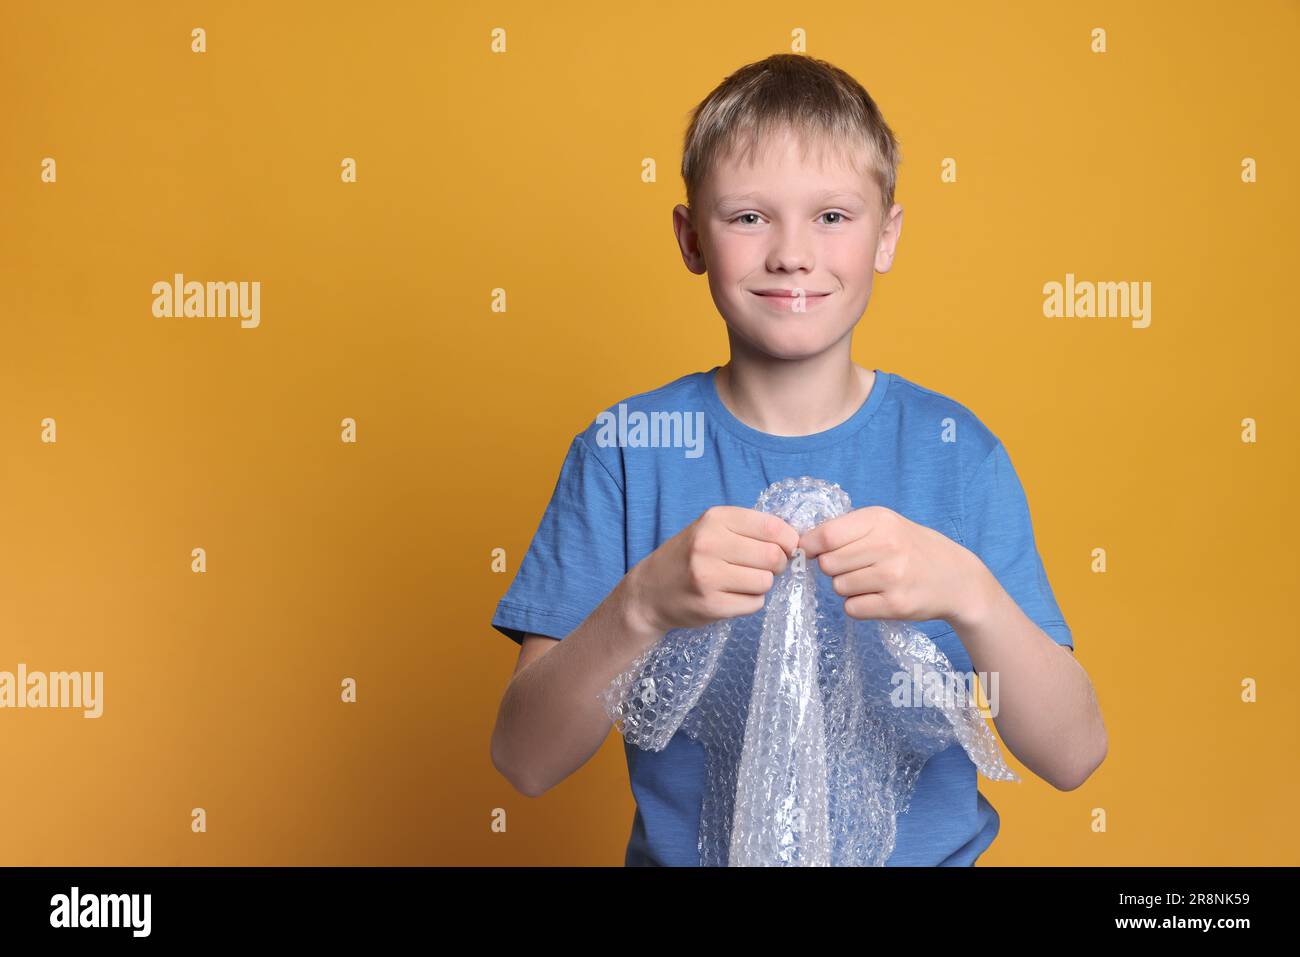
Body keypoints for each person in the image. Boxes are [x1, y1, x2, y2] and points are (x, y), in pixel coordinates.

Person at [488, 52, 1107, 866]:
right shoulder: (626, 454)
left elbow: (1073, 754)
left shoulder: (959, 454)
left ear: (887, 236)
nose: (791, 254)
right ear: (691, 238)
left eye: (832, 216)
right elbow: (525, 759)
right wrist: (642, 603)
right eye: (749, 217)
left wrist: (970, 594)